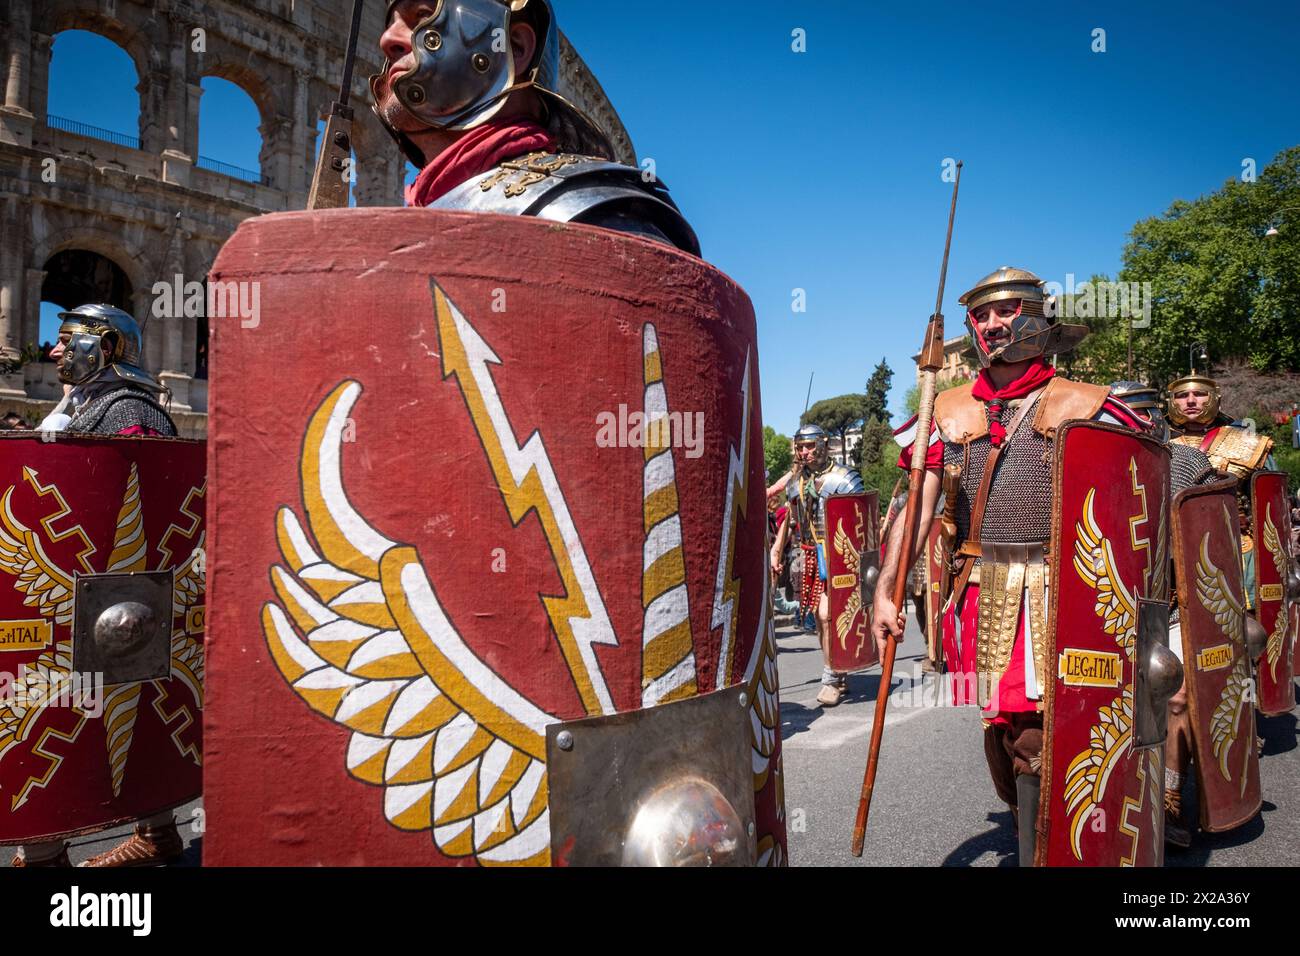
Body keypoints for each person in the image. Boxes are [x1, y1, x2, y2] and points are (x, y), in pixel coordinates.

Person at [872, 266, 1144, 864]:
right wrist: (887, 590)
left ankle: (1051, 849)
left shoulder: (1090, 404)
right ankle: (1036, 825)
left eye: (1009, 310)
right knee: (1001, 732)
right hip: (983, 589)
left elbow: (1148, 476)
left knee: (1039, 737)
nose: (994, 324)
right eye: (983, 315)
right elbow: (917, 507)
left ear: (1038, 317)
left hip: (1068, 591)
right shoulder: (947, 409)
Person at [14, 304, 181, 868]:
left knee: (105, 707)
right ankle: (143, 834)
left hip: (116, 598)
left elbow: (150, 510)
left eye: (67, 341)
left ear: (105, 347)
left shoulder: (131, 411)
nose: (54, 351)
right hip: (77, 591)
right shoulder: (86, 405)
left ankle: (44, 851)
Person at [371, 0, 698, 254]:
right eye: (391, 25)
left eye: (422, 15)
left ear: (515, 47)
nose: (387, 40)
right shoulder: (405, 224)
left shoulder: (592, 211)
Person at [770, 424, 865, 705]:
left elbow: (859, 521)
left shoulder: (845, 478)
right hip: (811, 554)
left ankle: (831, 678)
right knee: (821, 621)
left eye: (810, 446)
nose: (805, 452)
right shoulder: (795, 482)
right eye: (800, 447)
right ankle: (838, 669)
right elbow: (790, 518)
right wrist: (777, 548)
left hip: (840, 556)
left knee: (827, 615)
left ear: (823, 445)